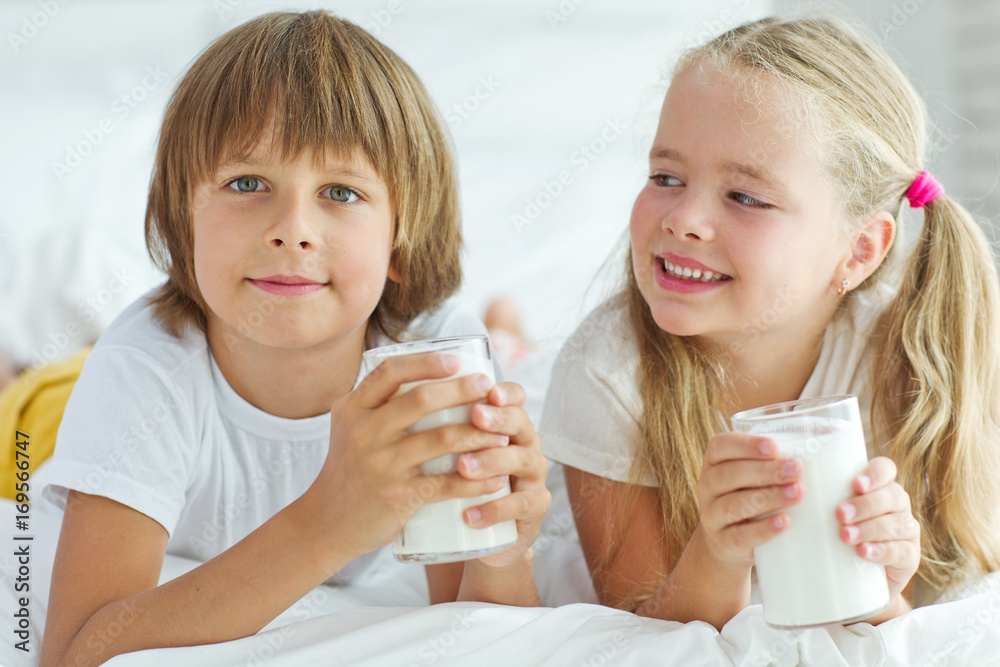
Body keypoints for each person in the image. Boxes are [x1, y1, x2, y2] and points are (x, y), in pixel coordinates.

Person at [38, 11, 549, 666]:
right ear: (182, 221)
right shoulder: (142, 370)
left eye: (340, 191)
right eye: (247, 183)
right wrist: (327, 523)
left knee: (513, 361)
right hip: (57, 410)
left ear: (402, 243)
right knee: (30, 402)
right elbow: (75, 652)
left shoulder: (434, 359)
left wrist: (502, 554)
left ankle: (509, 327)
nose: (293, 230)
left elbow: (472, 629)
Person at [541, 15, 1000, 631]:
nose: (683, 219)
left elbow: (911, 621)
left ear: (859, 251)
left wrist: (883, 597)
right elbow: (639, 637)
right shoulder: (605, 370)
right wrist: (717, 555)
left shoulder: (908, 358)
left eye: (746, 197)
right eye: (666, 178)